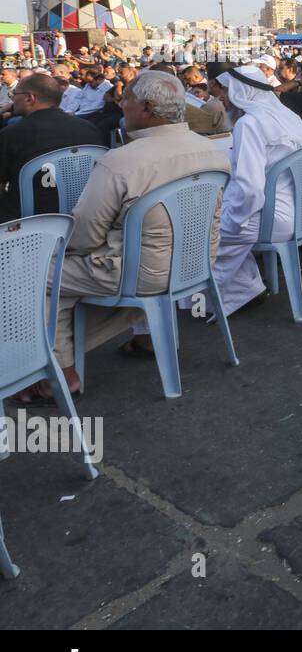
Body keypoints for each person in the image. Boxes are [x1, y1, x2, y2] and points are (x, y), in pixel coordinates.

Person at [11, 72, 229, 404]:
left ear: (147, 108)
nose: (120, 103)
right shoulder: (211, 150)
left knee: (32, 274)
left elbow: (83, 237)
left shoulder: (121, 162)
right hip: (195, 264)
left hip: (140, 274)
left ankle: (61, 371)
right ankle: (141, 338)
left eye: (125, 97)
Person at [209, 68, 302, 316]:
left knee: (202, 233)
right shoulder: (290, 116)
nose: (222, 98)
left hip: (272, 218)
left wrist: (231, 222)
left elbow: (249, 190)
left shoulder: (250, 123)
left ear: (242, 92)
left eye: (226, 91)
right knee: (220, 224)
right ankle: (245, 289)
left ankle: (213, 299)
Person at [0, 72, 103, 221]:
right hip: (82, 213)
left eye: (14, 94)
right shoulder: (89, 128)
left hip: (29, 220)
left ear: (29, 98)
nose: (13, 99)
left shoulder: (11, 134)